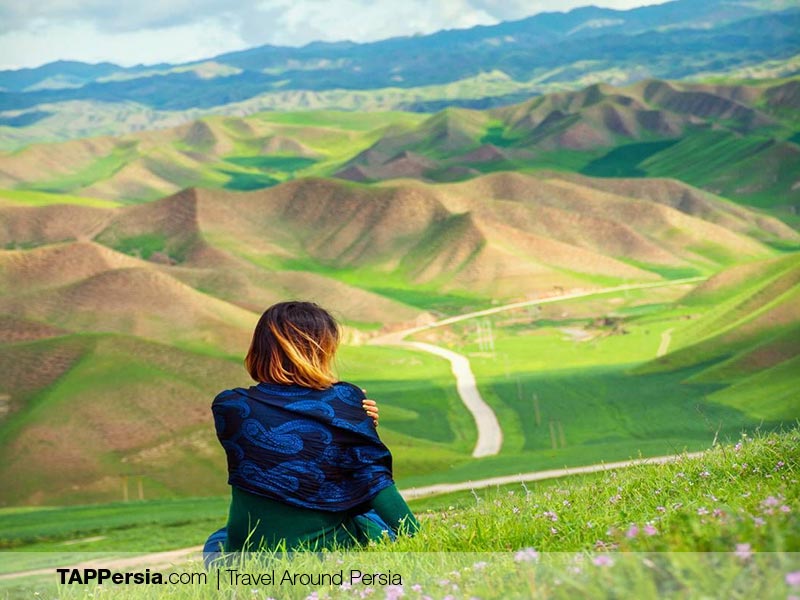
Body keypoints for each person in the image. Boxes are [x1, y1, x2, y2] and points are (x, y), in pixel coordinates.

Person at [203, 301, 418, 562]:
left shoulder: (229, 406)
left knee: (217, 540)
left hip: (248, 561)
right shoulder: (345, 400)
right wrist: (352, 418)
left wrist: (349, 416)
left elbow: (288, 435)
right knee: (370, 518)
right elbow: (372, 480)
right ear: (320, 349)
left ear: (260, 349)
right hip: (320, 557)